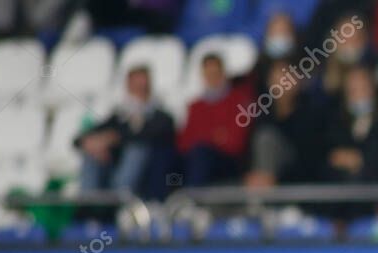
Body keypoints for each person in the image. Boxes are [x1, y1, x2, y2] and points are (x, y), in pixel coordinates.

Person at [75, 66, 176, 199]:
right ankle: (88, 206)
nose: (140, 91)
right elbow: (79, 139)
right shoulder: (119, 117)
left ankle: (120, 200)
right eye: (136, 87)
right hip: (111, 170)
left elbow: (148, 135)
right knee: (92, 153)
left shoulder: (161, 117)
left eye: (143, 87)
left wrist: (113, 139)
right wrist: (92, 143)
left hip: (147, 177)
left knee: (136, 150)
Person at [177, 53, 254, 186]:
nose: (212, 78)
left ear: (223, 73)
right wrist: (215, 136)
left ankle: (193, 198)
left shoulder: (239, 101)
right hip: (198, 159)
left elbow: (235, 143)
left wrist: (205, 139)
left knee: (201, 154)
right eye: (208, 74)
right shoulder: (195, 106)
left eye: (215, 74)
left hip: (228, 163)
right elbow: (184, 143)